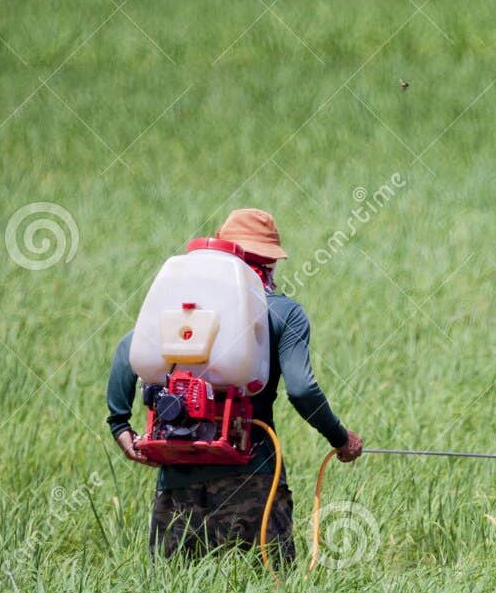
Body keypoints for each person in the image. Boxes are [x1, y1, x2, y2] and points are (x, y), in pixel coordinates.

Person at [106, 207, 362, 563]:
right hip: (254, 479)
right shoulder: (285, 313)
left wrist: (120, 426)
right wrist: (340, 438)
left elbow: (127, 350)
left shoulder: (183, 311)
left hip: (177, 482)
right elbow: (302, 390)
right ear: (270, 263)